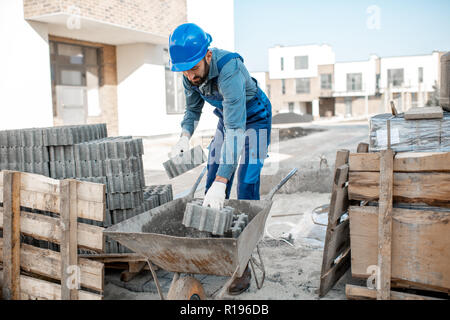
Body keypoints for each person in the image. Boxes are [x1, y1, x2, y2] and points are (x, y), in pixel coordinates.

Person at [168, 23, 272, 295]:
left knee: (246, 183)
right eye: (185, 69)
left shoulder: (229, 68)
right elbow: (192, 111)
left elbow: (239, 130)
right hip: (229, 120)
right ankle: (216, 249)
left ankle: (243, 263)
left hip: (254, 120)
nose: (190, 75)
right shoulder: (187, 72)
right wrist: (183, 136)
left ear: (208, 56)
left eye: (194, 68)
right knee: (212, 180)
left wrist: (224, 178)